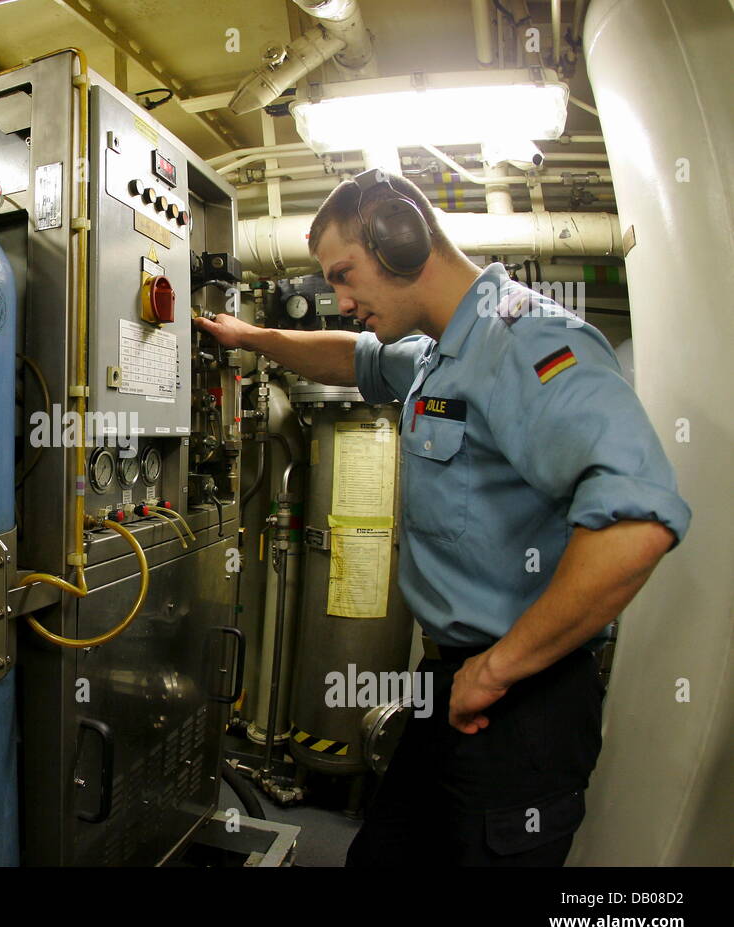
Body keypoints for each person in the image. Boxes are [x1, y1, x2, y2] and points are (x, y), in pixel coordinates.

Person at [194, 170, 690, 866]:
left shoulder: (529, 342)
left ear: (402, 240)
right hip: (451, 682)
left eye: (344, 274)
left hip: (520, 696)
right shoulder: (442, 355)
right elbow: (354, 359)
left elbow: (639, 523)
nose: (339, 299)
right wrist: (251, 337)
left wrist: (496, 670)